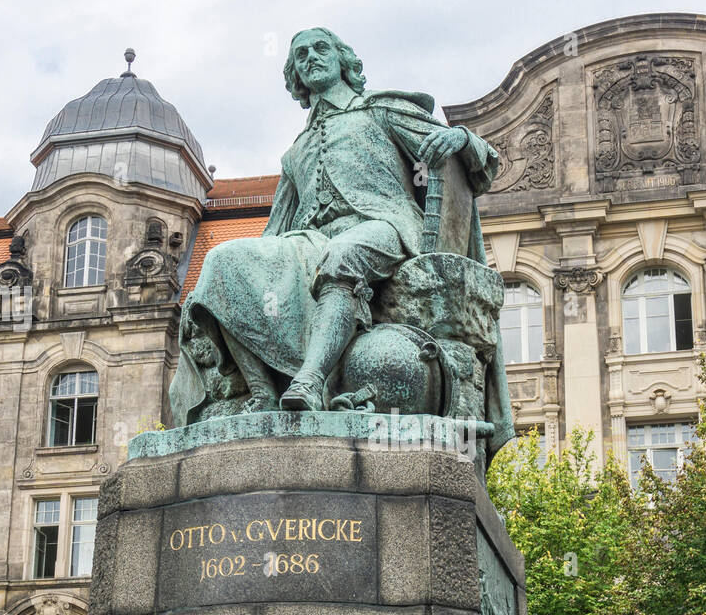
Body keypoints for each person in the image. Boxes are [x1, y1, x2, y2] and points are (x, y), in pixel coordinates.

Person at [170, 27, 502, 423]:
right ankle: (263, 393)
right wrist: (250, 270)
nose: (310, 57)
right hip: (308, 238)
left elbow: (480, 158)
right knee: (223, 261)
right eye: (300, 55)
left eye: (320, 48)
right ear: (296, 75)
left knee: (341, 256)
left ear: (342, 60)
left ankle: (310, 381)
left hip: (382, 224)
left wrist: (463, 140)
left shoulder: (380, 109)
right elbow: (274, 230)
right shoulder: (296, 150)